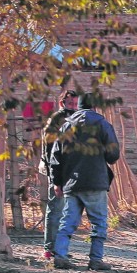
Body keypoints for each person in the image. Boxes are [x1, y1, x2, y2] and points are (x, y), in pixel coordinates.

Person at [49, 93, 120, 270]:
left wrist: (57, 182)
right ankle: (95, 260)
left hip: (72, 183)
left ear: (78, 106)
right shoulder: (102, 124)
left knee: (68, 221)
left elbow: (55, 157)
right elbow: (113, 155)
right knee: (99, 223)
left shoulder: (66, 126)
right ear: (95, 106)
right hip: (95, 181)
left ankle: (60, 256)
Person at [38, 90, 79, 260]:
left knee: (64, 212)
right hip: (57, 172)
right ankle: (49, 249)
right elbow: (49, 150)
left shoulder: (75, 119)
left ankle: (58, 249)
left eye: (76, 104)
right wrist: (55, 178)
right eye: (70, 104)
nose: (73, 107)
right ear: (62, 103)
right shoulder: (57, 120)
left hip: (70, 172)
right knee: (55, 209)